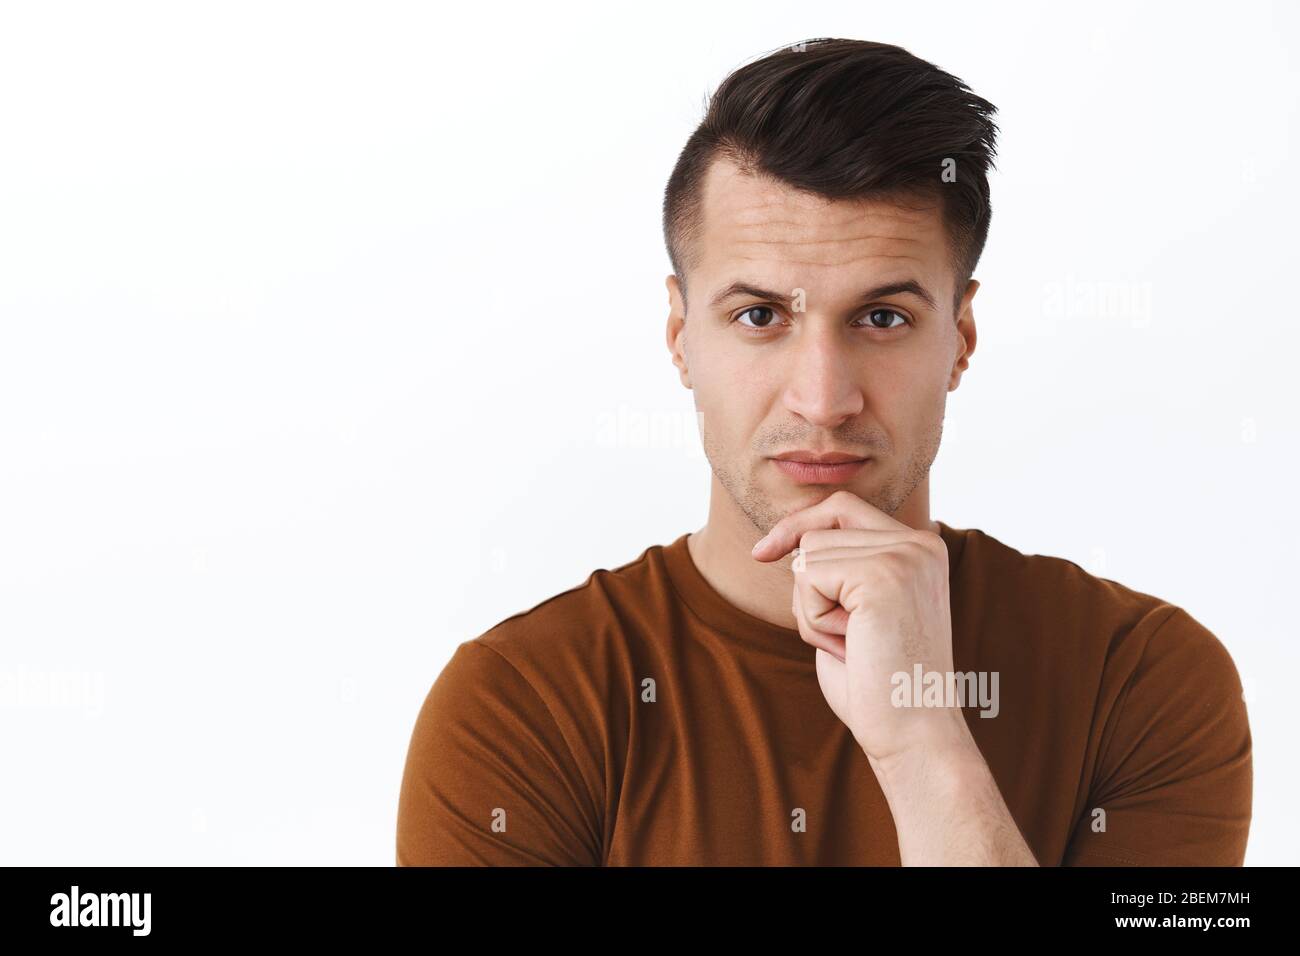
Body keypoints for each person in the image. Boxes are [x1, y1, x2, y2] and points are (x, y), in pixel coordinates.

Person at [396, 37, 1251, 866]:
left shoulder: (1141, 681)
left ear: (960, 337)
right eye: (760, 316)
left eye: (882, 318)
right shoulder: (519, 707)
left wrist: (924, 744)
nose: (823, 399)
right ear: (679, 335)